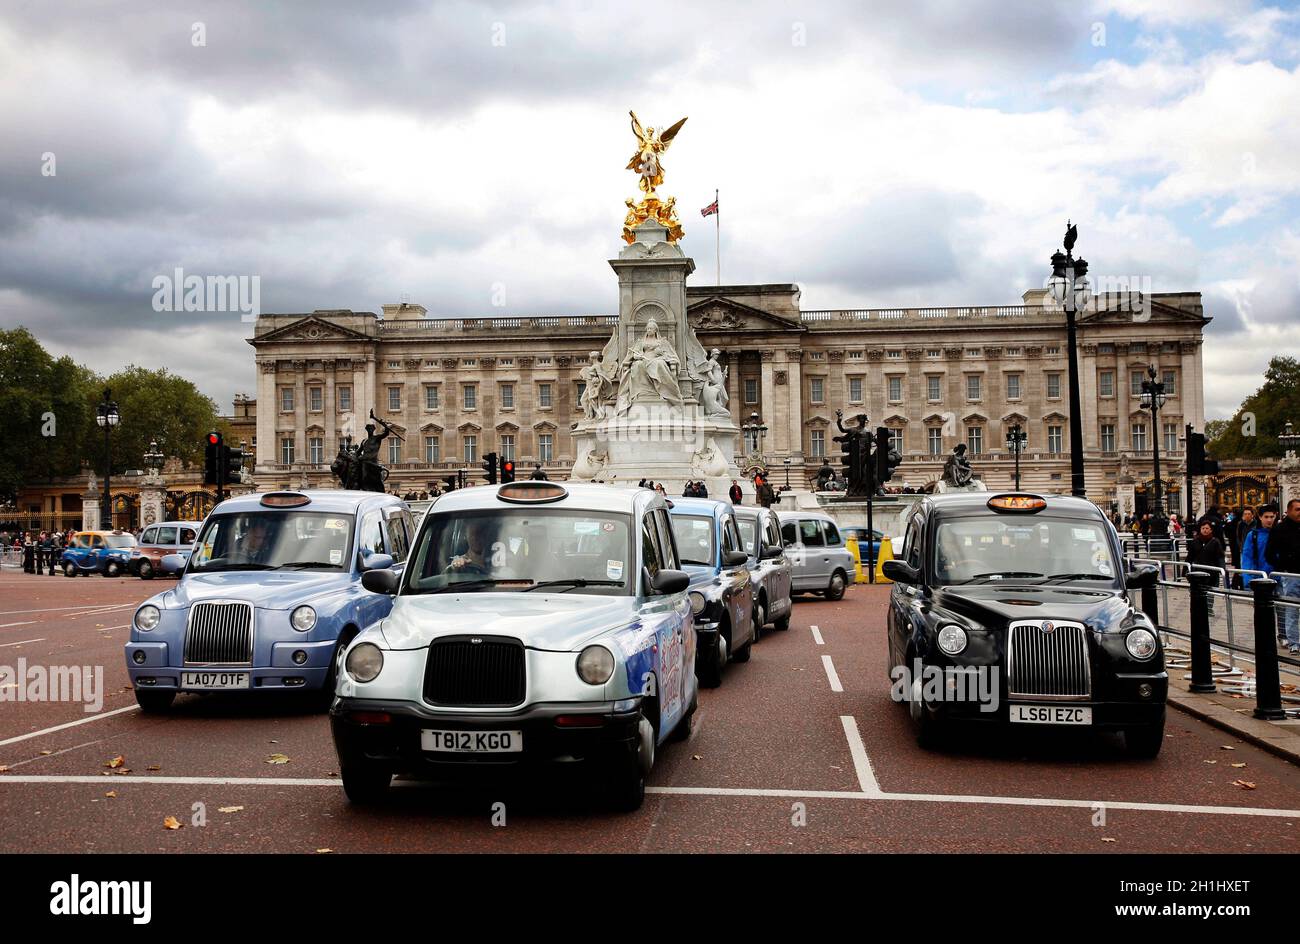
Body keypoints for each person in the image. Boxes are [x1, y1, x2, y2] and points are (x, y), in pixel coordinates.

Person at [1265, 498, 1300, 654]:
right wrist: (1282, 566)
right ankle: (1294, 643)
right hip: (1291, 574)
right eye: (1298, 509)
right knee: (1292, 608)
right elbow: (1269, 553)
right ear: (1289, 510)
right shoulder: (1280, 529)